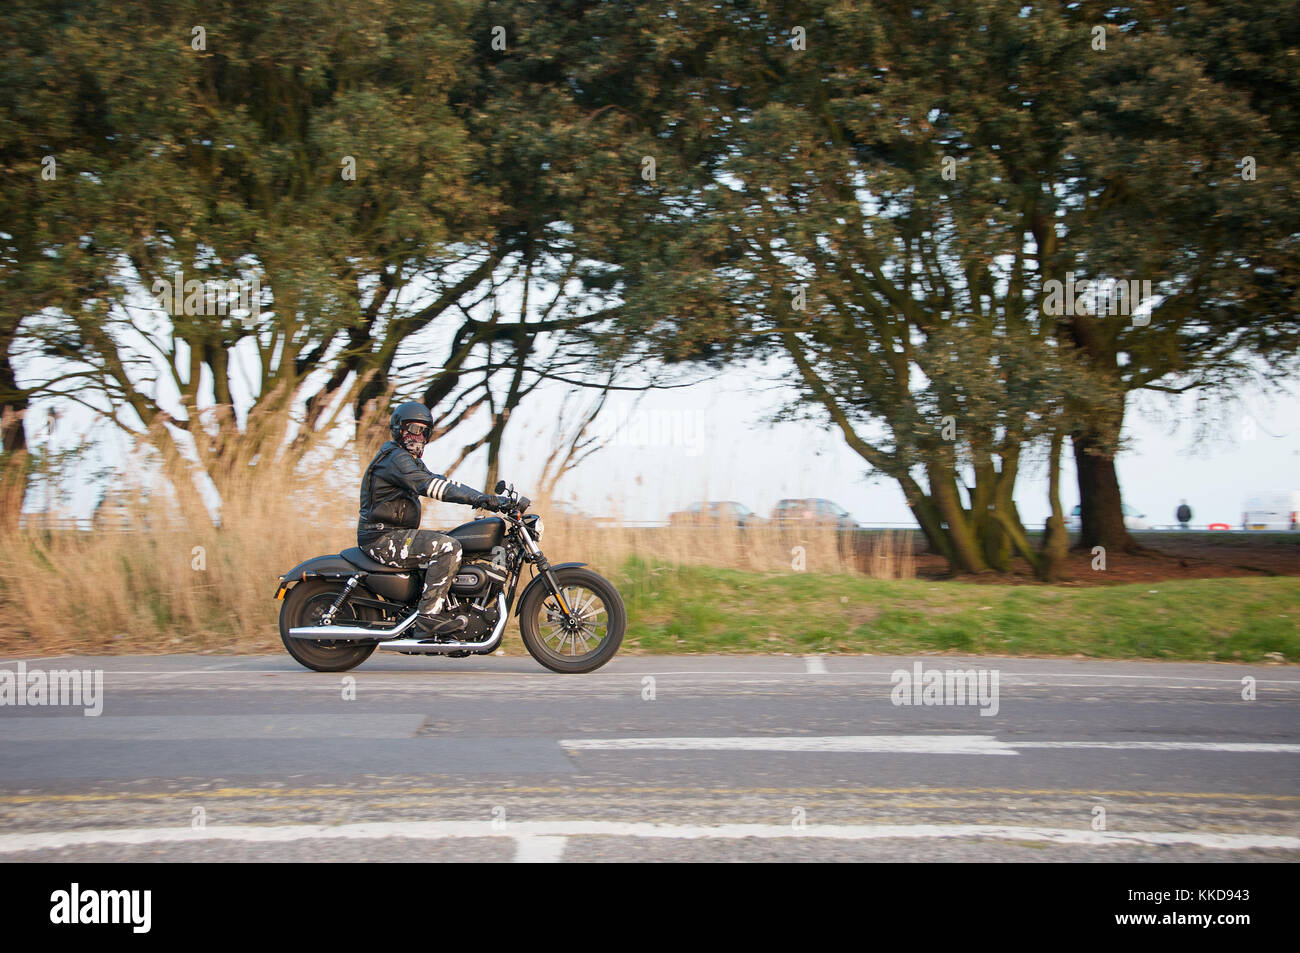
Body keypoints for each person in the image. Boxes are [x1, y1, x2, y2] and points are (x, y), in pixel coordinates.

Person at [358, 402, 508, 639]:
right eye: (413, 429)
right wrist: (482, 500)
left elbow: (438, 480)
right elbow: (430, 485)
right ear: (398, 429)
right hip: (382, 538)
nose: (419, 436)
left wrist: (483, 497)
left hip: (395, 534)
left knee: (453, 539)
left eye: (424, 431)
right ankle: (428, 618)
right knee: (448, 547)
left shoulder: (404, 459)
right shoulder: (395, 459)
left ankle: (451, 609)